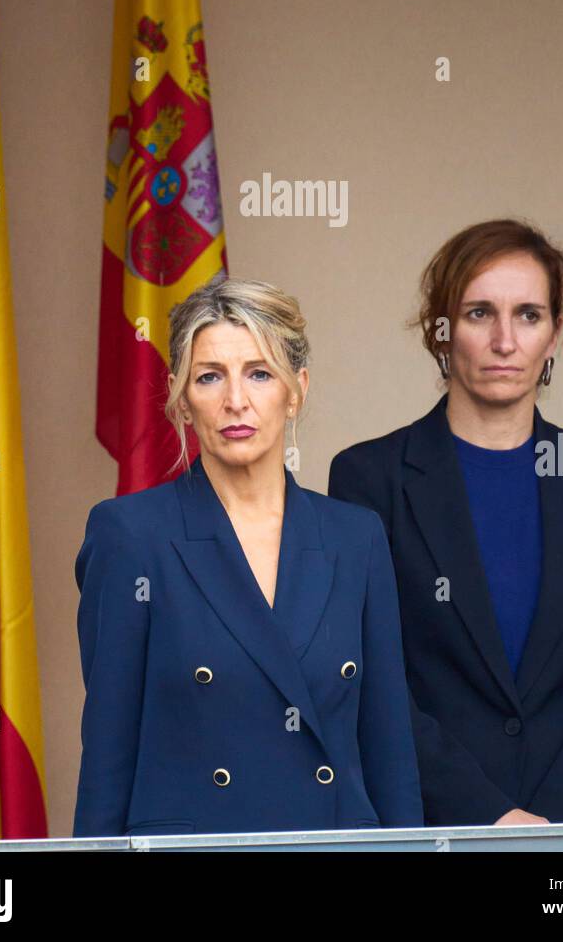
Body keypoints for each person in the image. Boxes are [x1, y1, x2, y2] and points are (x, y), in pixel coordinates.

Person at [329, 218, 563, 826]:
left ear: (555, 333)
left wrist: (551, 826)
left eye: (529, 315)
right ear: (442, 330)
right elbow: (372, 678)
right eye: (479, 313)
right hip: (432, 829)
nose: (505, 341)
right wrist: (490, 817)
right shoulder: (368, 478)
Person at [73, 276, 422, 837]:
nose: (236, 400)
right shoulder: (130, 536)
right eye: (210, 377)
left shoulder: (356, 538)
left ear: (296, 389)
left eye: (259, 373)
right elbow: (108, 751)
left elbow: (390, 751)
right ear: (181, 397)